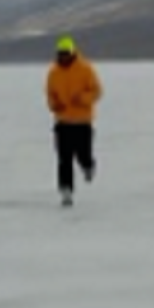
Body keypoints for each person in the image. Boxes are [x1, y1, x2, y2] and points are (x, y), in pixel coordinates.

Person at [45, 36, 103, 207]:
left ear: (72, 52)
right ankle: (66, 190)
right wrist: (54, 105)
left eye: (66, 53)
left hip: (82, 122)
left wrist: (83, 99)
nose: (63, 57)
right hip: (62, 123)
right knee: (64, 159)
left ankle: (88, 166)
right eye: (60, 54)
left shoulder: (85, 69)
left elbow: (97, 91)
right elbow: (50, 94)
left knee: (83, 155)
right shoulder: (53, 72)